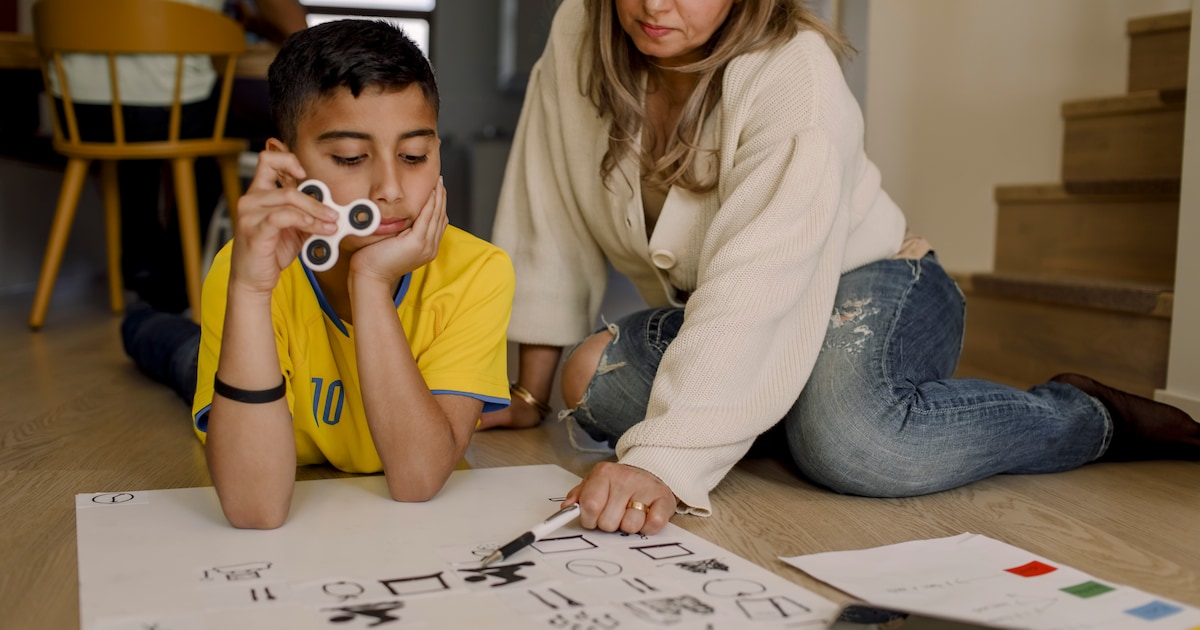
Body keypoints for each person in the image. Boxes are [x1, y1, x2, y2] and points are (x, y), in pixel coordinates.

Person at [483, 0, 1200, 536]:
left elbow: (760, 282)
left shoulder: (795, 73)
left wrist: (666, 461)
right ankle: (774, 407)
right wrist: (527, 392)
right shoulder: (583, 29)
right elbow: (544, 201)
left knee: (854, 445)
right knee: (590, 383)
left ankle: (1091, 417)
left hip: (880, 280)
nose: (652, 5)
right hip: (730, 304)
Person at [122, 18, 515, 529]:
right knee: (177, 352)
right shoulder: (243, 272)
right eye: (351, 158)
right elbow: (255, 508)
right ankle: (141, 323)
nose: (390, 189)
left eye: (414, 155)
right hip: (249, 370)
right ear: (286, 168)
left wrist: (371, 282)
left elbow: (418, 477)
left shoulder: (478, 272)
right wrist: (249, 289)